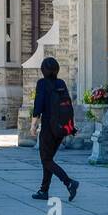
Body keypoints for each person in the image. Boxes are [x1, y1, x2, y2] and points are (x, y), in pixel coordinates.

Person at [29, 57, 79, 202]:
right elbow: (67, 107)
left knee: (46, 160)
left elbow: (38, 105)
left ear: (43, 71)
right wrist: (71, 127)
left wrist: (33, 125)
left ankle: (69, 182)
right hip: (61, 129)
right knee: (48, 159)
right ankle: (43, 190)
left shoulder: (42, 84)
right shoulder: (61, 83)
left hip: (48, 128)